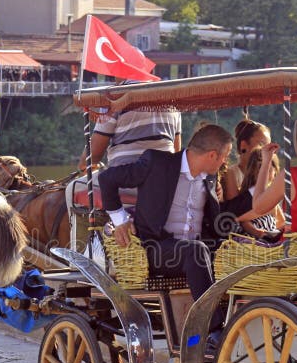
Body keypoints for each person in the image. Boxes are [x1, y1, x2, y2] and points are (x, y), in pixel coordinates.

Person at [98, 124, 235, 339]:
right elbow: (107, 179)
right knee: (196, 251)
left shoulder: (210, 177)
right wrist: (120, 220)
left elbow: (214, 222)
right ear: (212, 155)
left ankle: (244, 316)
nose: (225, 162)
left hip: (198, 253)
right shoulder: (156, 163)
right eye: (225, 156)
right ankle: (215, 330)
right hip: (157, 250)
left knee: (237, 250)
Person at [238, 147, 285, 240]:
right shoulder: (249, 193)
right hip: (258, 239)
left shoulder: (270, 194)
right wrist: (260, 234)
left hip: (270, 234)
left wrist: (278, 231)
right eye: (260, 167)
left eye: (267, 167)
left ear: (275, 171)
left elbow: (281, 221)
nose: (262, 171)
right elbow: (244, 222)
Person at [221, 119, 271, 200]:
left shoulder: (267, 173)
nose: (267, 150)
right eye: (261, 144)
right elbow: (237, 207)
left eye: (268, 145)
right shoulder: (231, 173)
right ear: (243, 145)